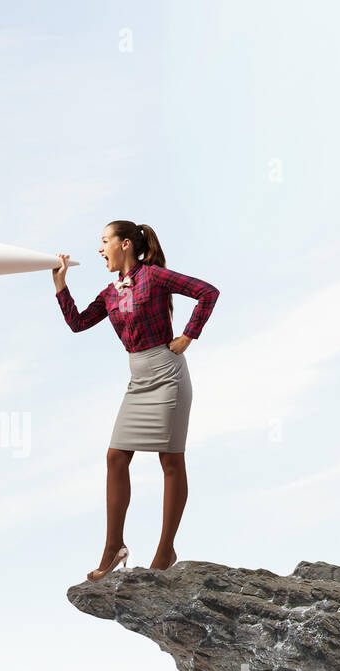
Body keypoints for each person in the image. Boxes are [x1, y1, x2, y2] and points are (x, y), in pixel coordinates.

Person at [52, 220, 220, 580]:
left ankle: (165, 550)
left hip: (167, 375)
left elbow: (208, 292)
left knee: (170, 460)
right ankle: (114, 547)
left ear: (125, 244)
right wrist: (61, 285)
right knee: (115, 457)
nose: (100, 249)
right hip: (138, 379)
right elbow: (78, 324)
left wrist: (188, 336)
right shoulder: (110, 293)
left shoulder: (154, 276)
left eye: (105, 241)